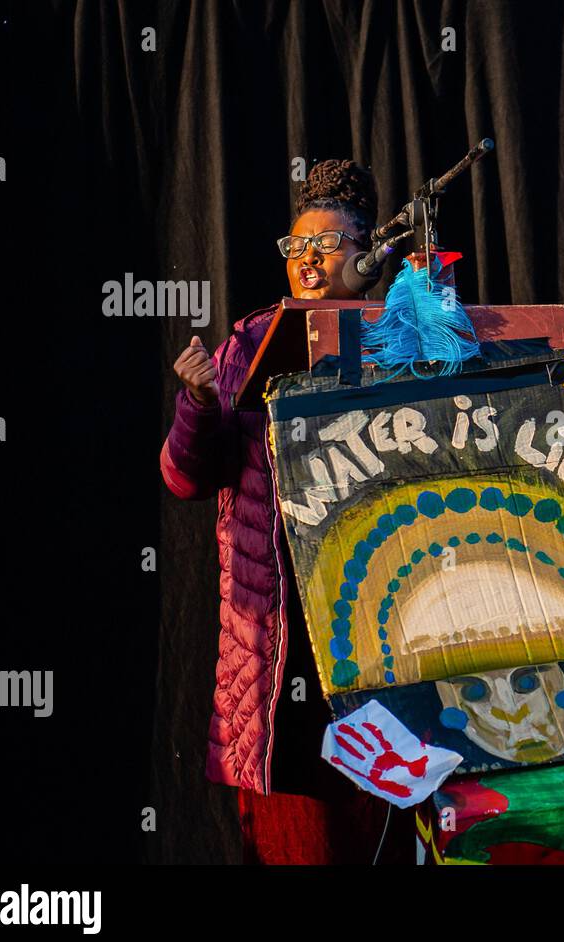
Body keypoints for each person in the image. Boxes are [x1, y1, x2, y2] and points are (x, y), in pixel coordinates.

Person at [161, 159, 406, 862]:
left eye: (325, 246)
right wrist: (201, 405)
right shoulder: (250, 342)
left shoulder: (402, 339)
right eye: (296, 247)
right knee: (301, 840)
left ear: (367, 254)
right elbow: (183, 477)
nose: (306, 260)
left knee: (383, 832)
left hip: (379, 641)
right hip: (280, 651)